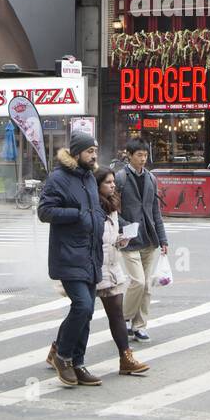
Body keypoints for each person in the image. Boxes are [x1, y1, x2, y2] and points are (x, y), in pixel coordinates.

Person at [39, 132, 105, 388]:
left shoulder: (88, 177)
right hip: (68, 254)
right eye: (89, 151)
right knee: (83, 306)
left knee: (87, 313)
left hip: (90, 253)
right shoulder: (58, 178)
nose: (94, 155)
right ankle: (62, 356)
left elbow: (94, 209)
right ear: (77, 153)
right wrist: (77, 214)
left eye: (95, 150)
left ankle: (78, 362)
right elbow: (45, 211)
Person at [94, 168, 150, 376]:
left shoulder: (112, 207)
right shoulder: (92, 206)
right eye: (107, 182)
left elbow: (109, 238)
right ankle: (58, 349)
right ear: (97, 185)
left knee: (117, 313)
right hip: (93, 267)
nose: (112, 185)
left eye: (112, 182)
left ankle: (125, 358)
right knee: (80, 314)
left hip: (111, 268)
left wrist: (120, 239)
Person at [115, 138, 169, 343]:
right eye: (139, 155)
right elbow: (112, 209)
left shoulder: (150, 178)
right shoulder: (120, 178)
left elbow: (156, 211)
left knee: (147, 286)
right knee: (137, 281)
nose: (143, 159)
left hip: (149, 239)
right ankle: (123, 319)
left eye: (145, 155)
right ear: (129, 155)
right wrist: (124, 225)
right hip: (129, 240)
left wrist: (163, 239)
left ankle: (139, 326)